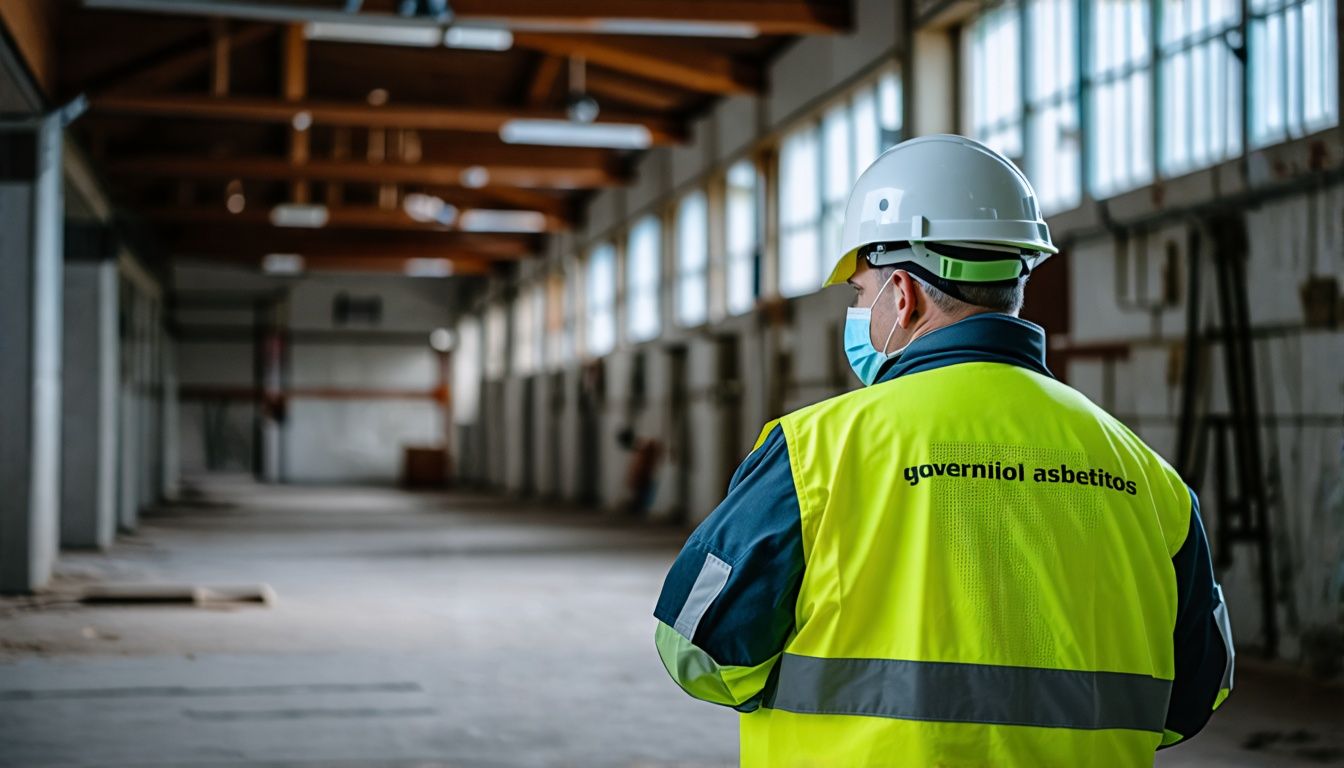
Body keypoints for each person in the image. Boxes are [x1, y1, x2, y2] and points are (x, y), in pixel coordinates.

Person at [652, 135, 1233, 766]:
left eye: (858, 292)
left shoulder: (816, 448)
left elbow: (697, 649)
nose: (858, 310)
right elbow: (1199, 692)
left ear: (901, 294)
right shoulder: (1145, 473)